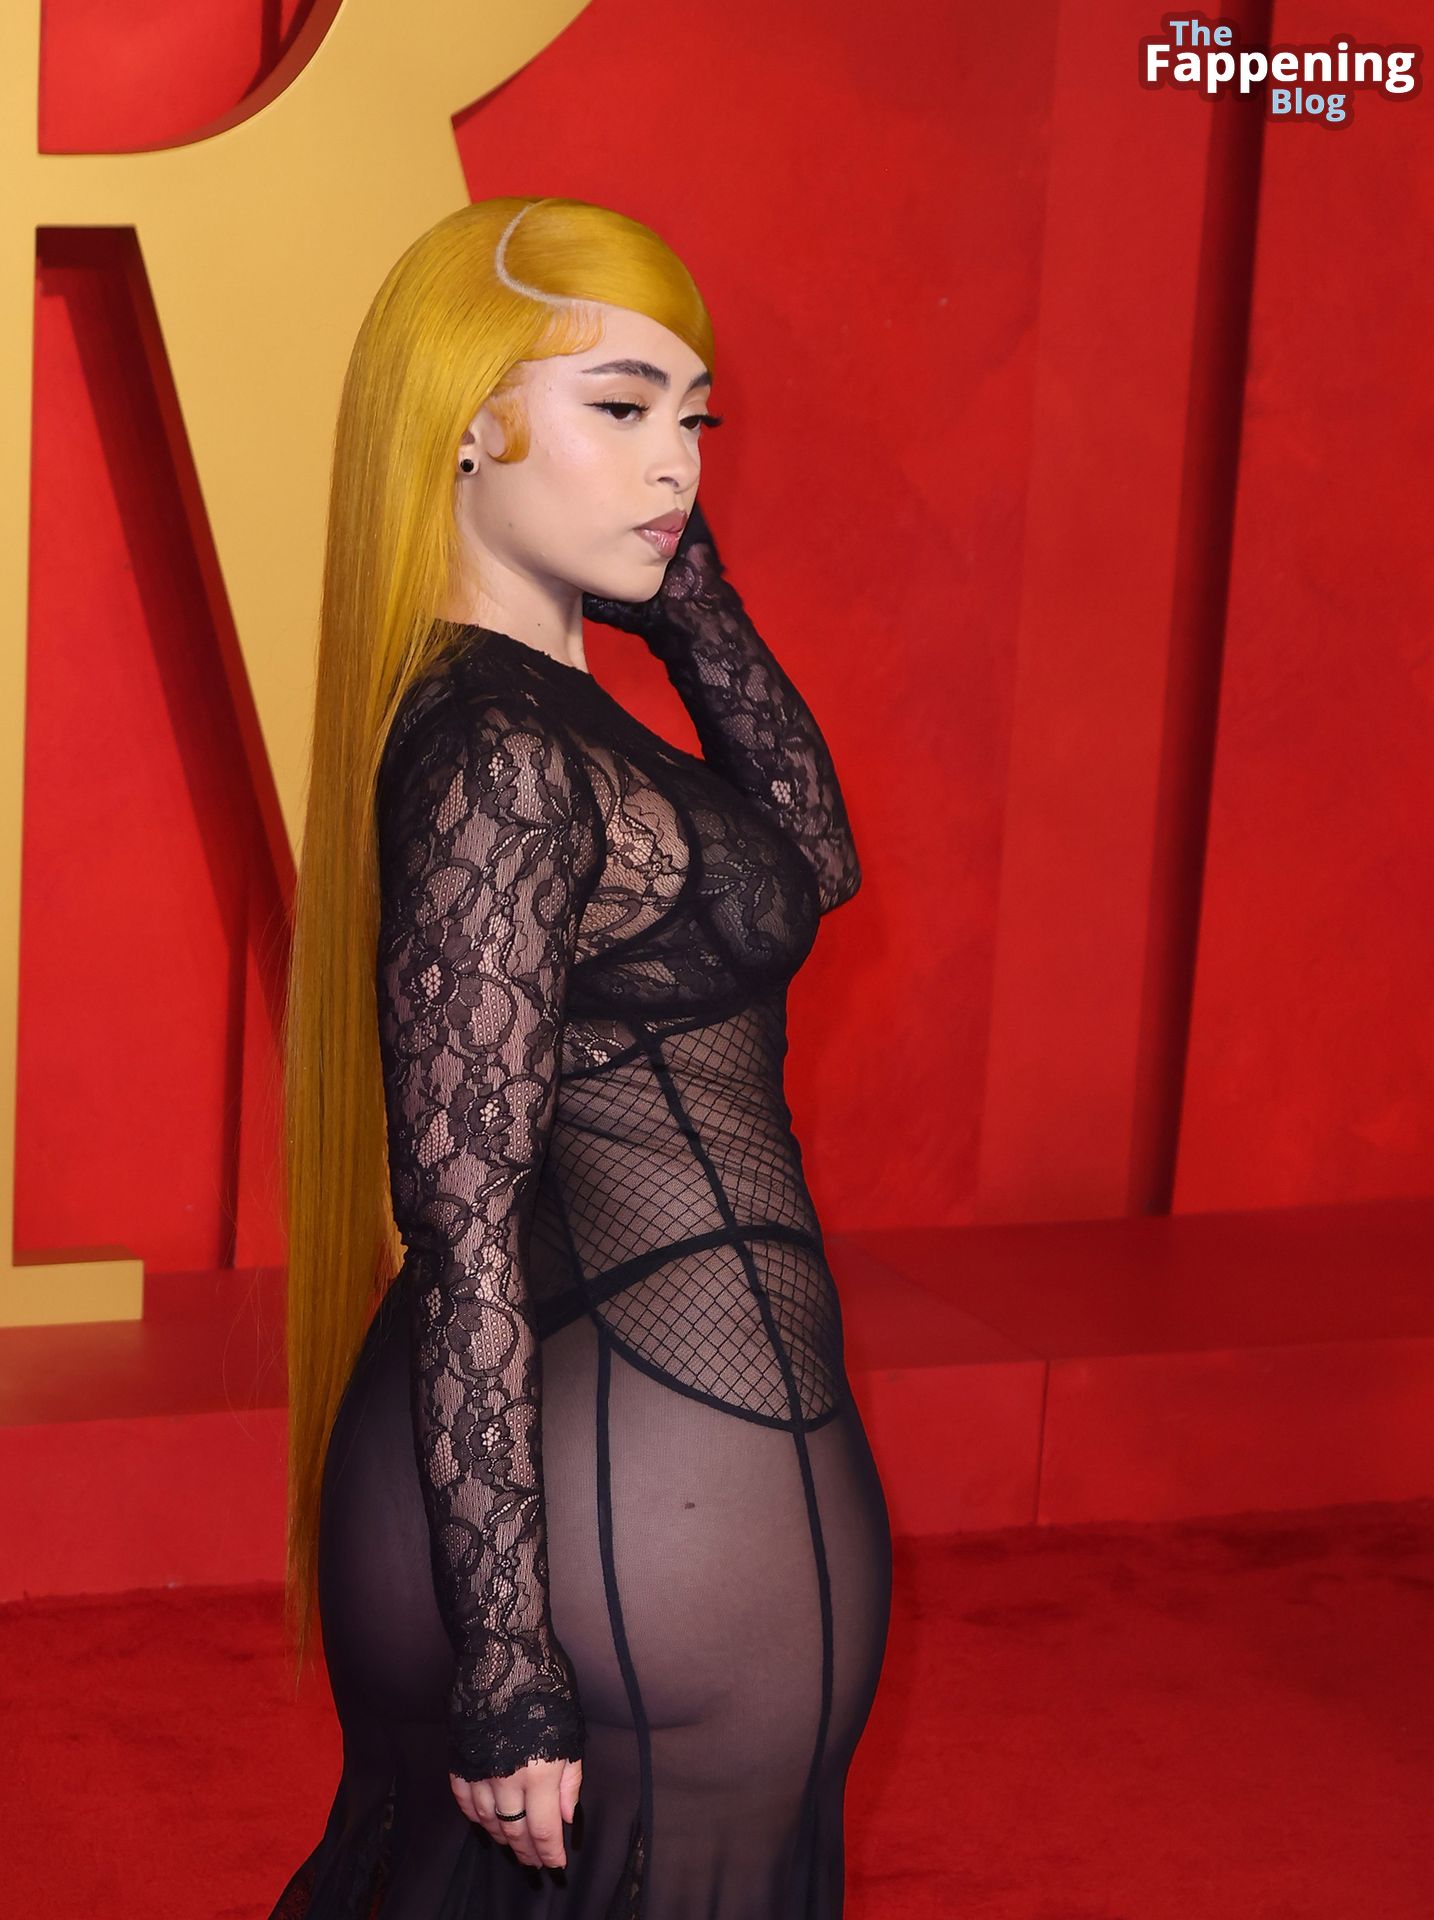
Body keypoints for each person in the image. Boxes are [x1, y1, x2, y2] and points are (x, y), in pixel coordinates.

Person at [268, 195, 892, 1918]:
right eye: (618, 407)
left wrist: (679, 589)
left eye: (694, 419)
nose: (673, 461)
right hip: (646, 1475)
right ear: (464, 419)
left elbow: (814, 859)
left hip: (520, 1461)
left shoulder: (515, 713)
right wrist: (507, 1664)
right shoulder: (506, 753)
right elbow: (459, 1212)